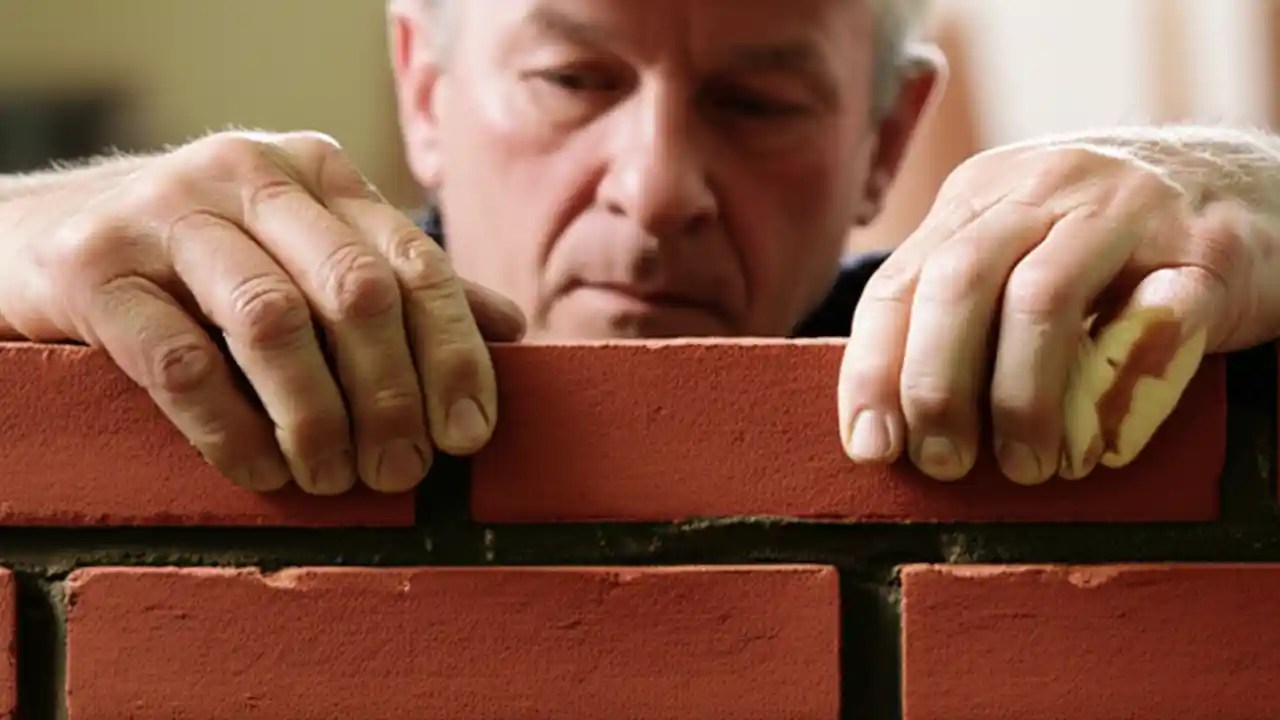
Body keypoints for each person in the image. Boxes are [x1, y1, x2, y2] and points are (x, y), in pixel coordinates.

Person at [0, 0, 1274, 497]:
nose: (656, 189)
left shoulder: (1031, 348)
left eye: (757, 103)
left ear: (886, 144)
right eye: (569, 79)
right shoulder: (227, 318)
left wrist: (1245, 188)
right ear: (425, 93)